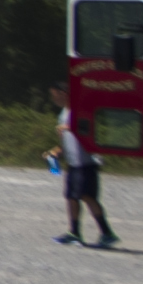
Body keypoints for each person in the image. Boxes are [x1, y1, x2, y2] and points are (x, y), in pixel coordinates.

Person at [49, 87, 115, 246]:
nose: (53, 98)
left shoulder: (78, 109)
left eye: (54, 94)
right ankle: (74, 232)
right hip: (73, 163)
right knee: (71, 197)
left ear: (63, 93)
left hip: (86, 162)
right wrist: (57, 151)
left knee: (88, 196)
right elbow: (68, 140)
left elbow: (86, 128)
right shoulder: (63, 114)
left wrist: (68, 127)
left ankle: (107, 233)